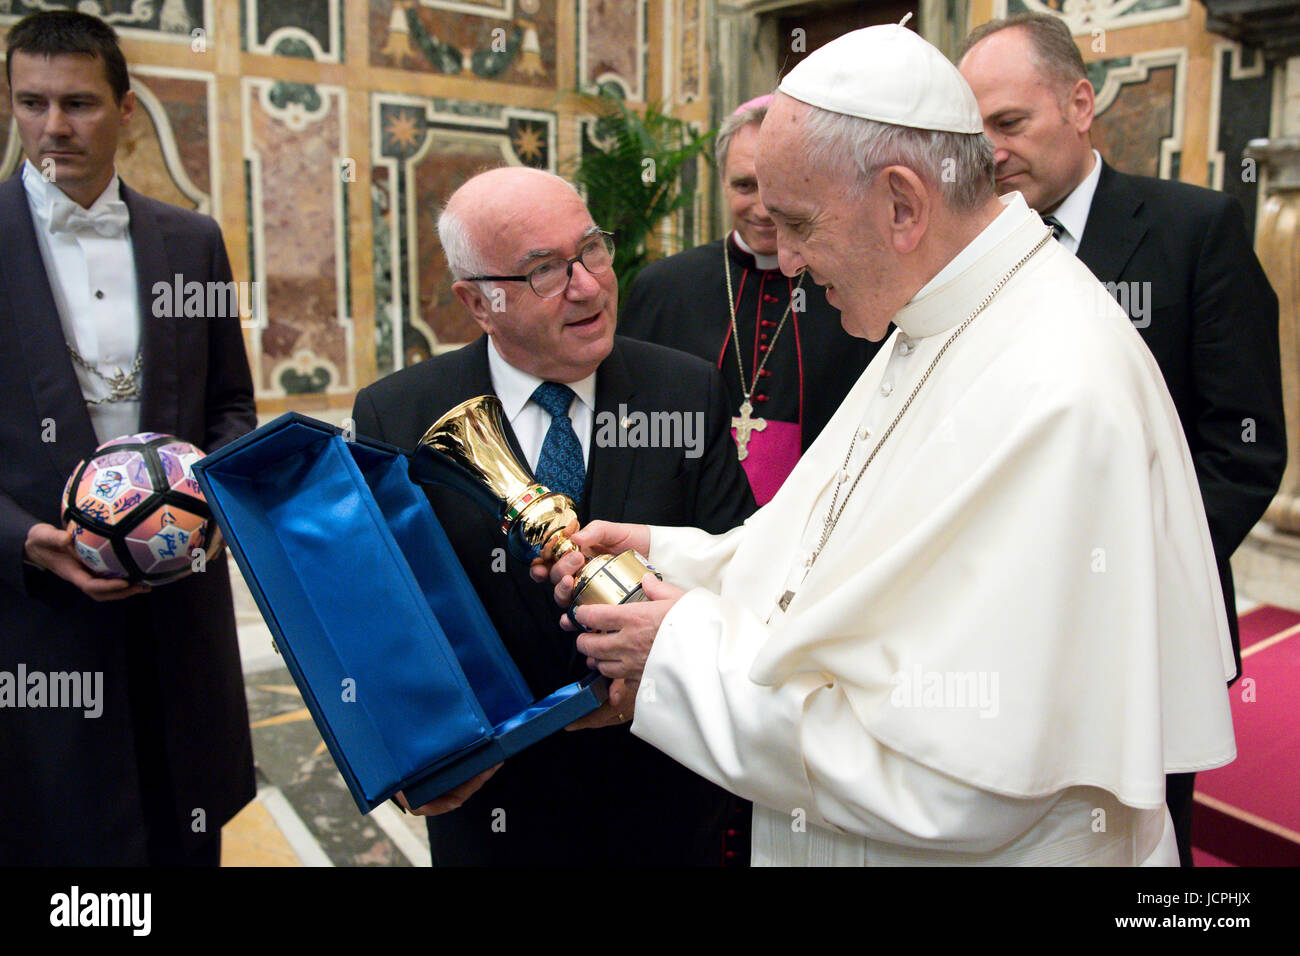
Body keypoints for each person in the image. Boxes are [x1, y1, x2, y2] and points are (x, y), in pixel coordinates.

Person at [540, 23, 1238, 866]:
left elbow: (957, 785)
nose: (786, 261)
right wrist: (672, 557)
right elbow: (829, 551)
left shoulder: (1058, 387)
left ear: (904, 204)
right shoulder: (936, 313)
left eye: (799, 224)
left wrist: (679, 653)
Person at [351, 165, 757, 866]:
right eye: (543, 271)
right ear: (477, 303)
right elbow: (381, 614)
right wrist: (403, 749)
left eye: (591, 249)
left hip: (663, 794)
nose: (589, 286)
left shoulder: (683, 388)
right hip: (494, 808)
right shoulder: (399, 413)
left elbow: (737, 565)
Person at [958, 12, 1285, 866]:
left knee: (1139, 848)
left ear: (1079, 101)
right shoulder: (967, 252)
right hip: (999, 633)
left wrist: (1123, 576)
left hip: (1147, 632)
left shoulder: (1194, 231)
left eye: (1009, 123)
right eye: (975, 130)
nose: (989, 152)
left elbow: (1242, 448)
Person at [0, 11, 256, 865]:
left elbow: (230, 406)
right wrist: (25, 540)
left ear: (125, 110)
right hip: (35, 620)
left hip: (180, 609)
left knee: (183, 828)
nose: (53, 128)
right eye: (30, 103)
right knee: (63, 844)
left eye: (77, 103)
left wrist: (209, 501)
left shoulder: (193, 243)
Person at [619, 95, 881, 505]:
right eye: (744, 185)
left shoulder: (852, 287)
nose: (763, 207)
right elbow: (632, 427)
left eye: (778, 186)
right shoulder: (664, 288)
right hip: (685, 522)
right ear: (721, 181)